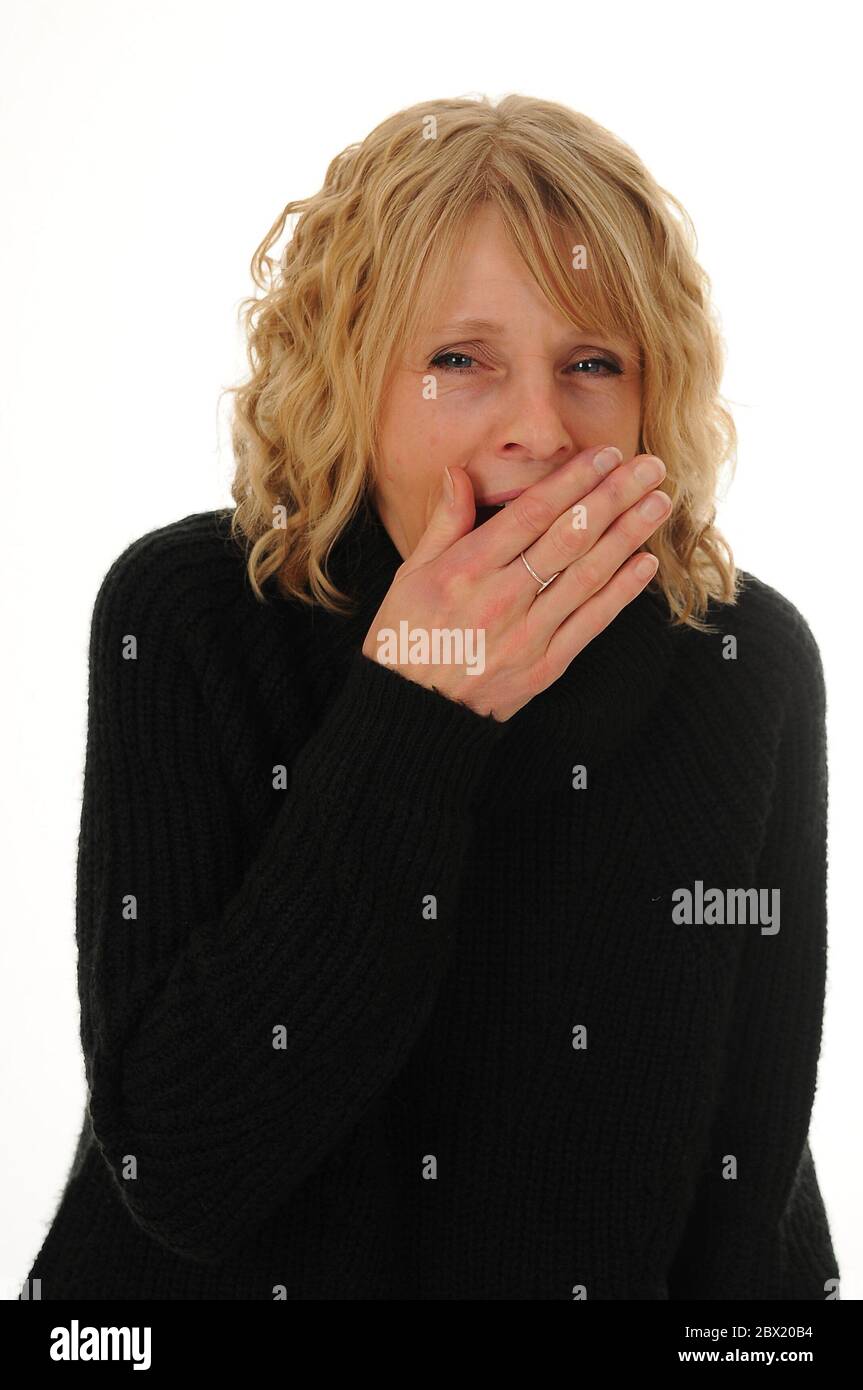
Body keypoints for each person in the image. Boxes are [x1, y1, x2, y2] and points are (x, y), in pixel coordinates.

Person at [22, 93, 839, 1300]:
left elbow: (750, 1172)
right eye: (460, 360)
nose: (538, 428)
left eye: (591, 364)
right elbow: (183, 1176)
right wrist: (413, 708)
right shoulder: (187, 613)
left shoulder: (743, 657)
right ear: (352, 374)